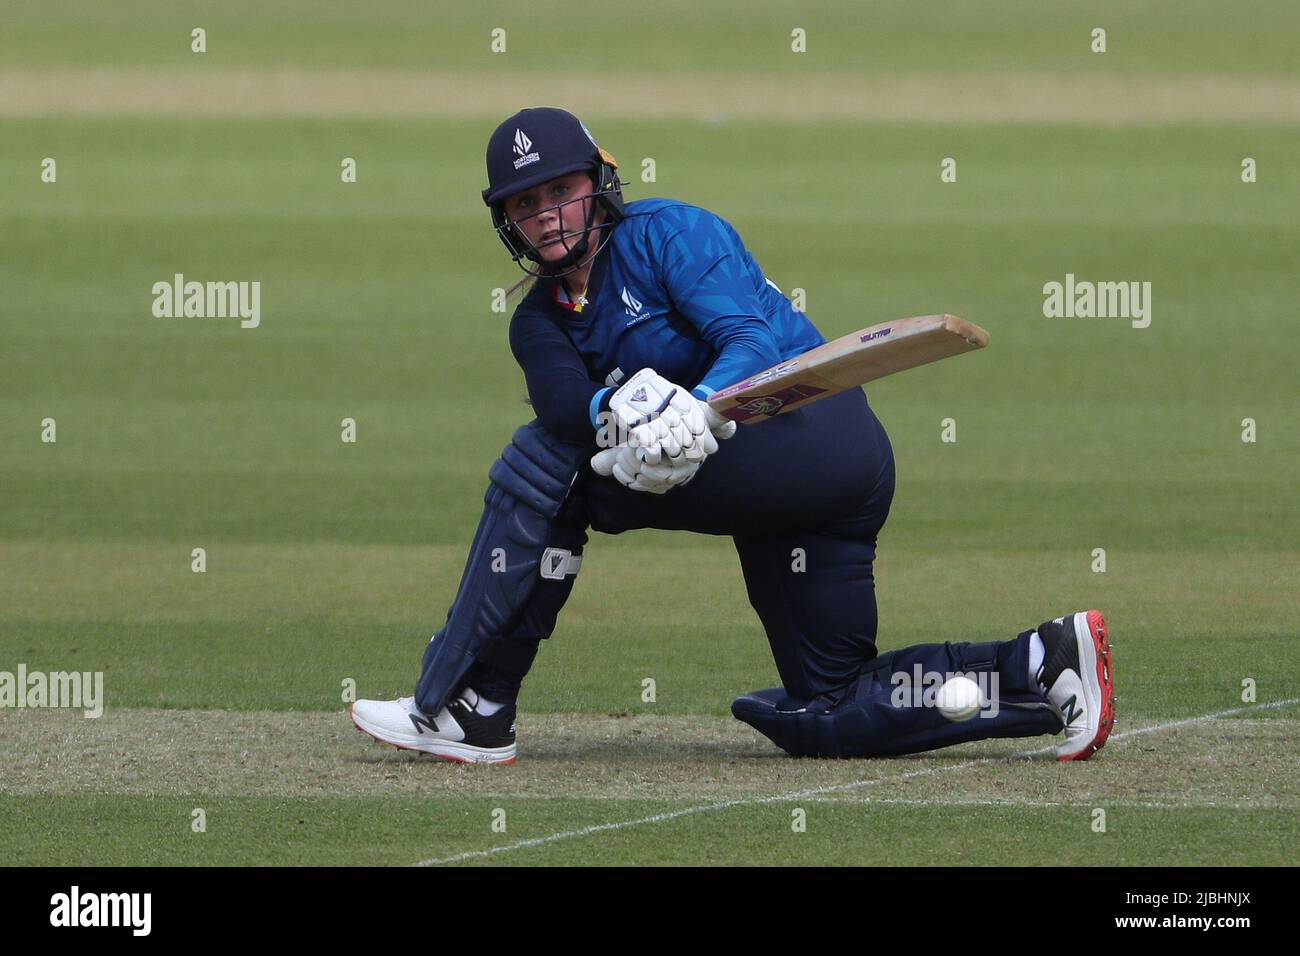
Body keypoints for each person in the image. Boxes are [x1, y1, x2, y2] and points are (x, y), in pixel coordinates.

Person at [348, 107, 1115, 765]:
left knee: (547, 471)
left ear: (599, 185)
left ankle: (469, 703)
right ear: (505, 220)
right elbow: (562, 405)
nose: (546, 213)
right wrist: (616, 422)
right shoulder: (538, 320)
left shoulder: (670, 233)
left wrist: (699, 405)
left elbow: (748, 336)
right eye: (525, 203)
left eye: (561, 191)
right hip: (775, 500)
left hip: (811, 438)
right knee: (830, 707)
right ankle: (1044, 666)